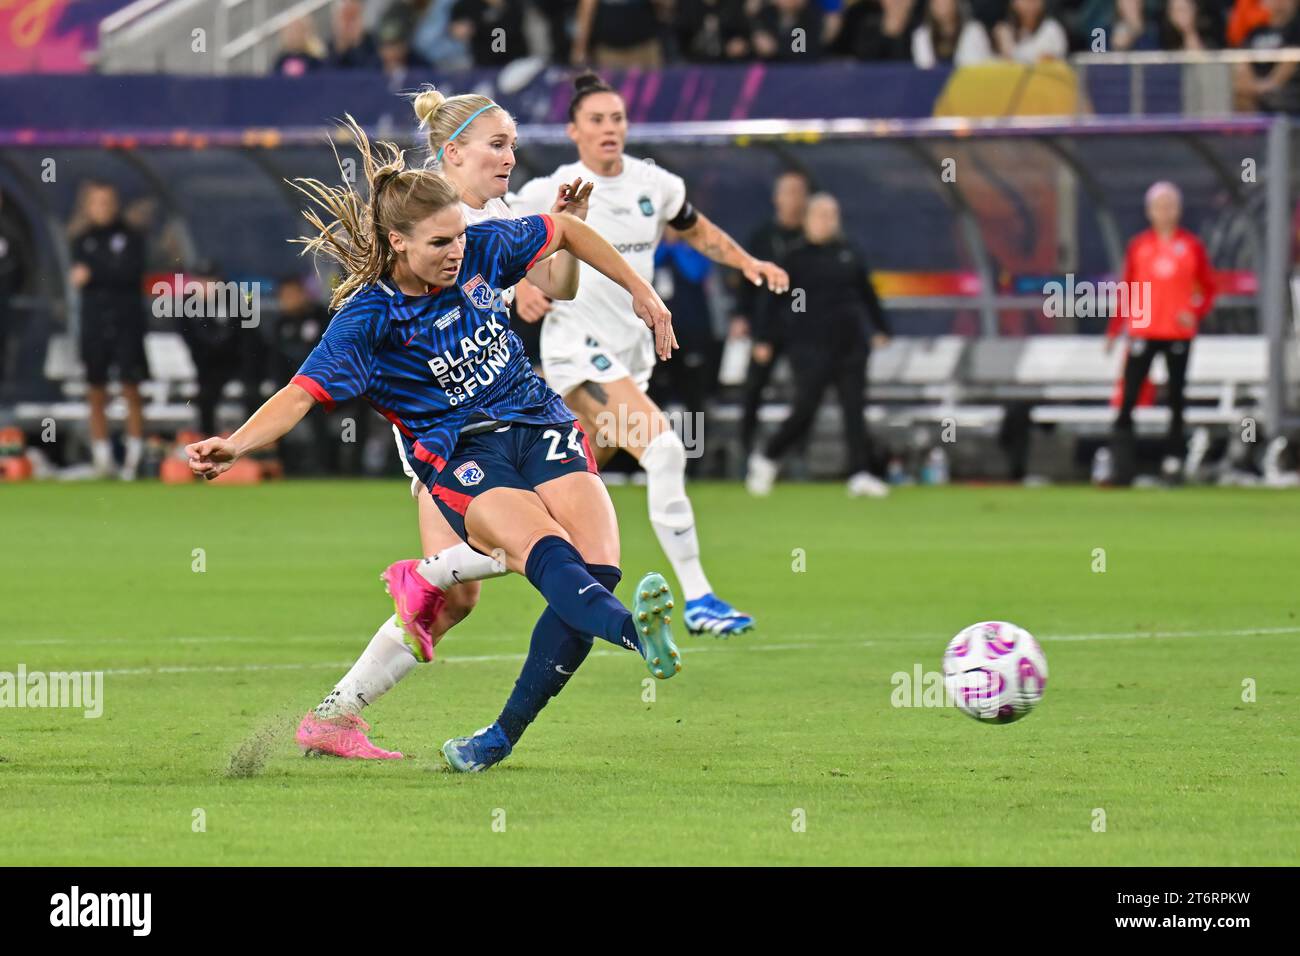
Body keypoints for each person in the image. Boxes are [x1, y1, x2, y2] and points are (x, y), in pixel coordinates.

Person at [186, 118, 683, 772]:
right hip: (460, 454)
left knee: (594, 571)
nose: (457, 253)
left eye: (459, 238)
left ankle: (488, 732)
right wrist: (236, 443)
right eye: (439, 243)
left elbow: (566, 233)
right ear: (398, 242)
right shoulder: (369, 317)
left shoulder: (479, 246)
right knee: (546, 555)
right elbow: (301, 392)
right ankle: (631, 632)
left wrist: (642, 293)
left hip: (536, 420)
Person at [288, 89, 593, 757]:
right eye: (497, 144)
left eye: (512, 143)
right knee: (522, 549)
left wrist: (566, 230)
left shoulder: (495, 219)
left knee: (458, 600)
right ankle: (427, 575)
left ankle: (335, 713)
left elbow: (560, 285)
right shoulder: (430, 214)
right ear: (452, 154)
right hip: (448, 431)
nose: (510, 156)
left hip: (502, 412)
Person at [509, 71, 790, 636]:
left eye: (616, 118)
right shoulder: (551, 190)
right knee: (664, 449)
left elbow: (695, 229)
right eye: (596, 120)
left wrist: (748, 263)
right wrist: (521, 286)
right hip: (578, 357)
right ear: (573, 130)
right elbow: (497, 237)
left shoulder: (654, 184)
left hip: (630, 361)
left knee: (549, 503)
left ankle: (451, 567)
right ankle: (701, 599)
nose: (609, 128)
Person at [745, 193, 893, 498]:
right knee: (805, 409)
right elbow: (771, 302)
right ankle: (767, 457)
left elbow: (867, 294)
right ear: (808, 219)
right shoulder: (794, 257)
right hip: (809, 346)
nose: (827, 221)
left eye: (832, 215)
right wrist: (764, 339)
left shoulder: (849, 253)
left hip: (851, 344)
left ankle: (859, 473)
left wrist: (880, 328)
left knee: (854, 409)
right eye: (821, 215)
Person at [1106, 181, 1216, 485]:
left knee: (1176, 398)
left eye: (1170, 206)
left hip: (1177, 332)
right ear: (1149, 211)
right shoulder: (1139, 246)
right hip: (1144, 329)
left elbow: (1208, 288)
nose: (1165, 212)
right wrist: (1116, 328)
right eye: (1160, 206)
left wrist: (1193, 312)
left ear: (1178, 210)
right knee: (1128, 397)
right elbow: (1127, 288)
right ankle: (1121, 464)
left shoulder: (1191, 246)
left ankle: (1172, 462)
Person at [69, 180, 148, 480]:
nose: (102, 208)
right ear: (88, 206)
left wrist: (94, 273)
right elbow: (78, 276)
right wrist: (100, 273)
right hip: (94, 325)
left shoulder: (132, 237)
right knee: (96, 390)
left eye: (107, 202)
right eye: (96, 202)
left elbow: (129, 272)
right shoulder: (81, 239)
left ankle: (134, 459)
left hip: (128, 324)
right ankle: (103, 460)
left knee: (131, 387)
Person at [733, 169, 811, 456]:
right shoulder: (763, 237)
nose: (794, 198)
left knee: (806, 396)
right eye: (788, 192)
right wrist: (742, 316)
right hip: (766, 327)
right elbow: (746, 281)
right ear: (777, 197)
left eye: (799, 192)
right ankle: (746, 454)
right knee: (753, 391)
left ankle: (794, 455)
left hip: (804, 329)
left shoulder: (811, 236)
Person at [912, 0, 993, 67]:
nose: (942, 3)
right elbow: (923, 70)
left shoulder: (975, 31)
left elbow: (984, 67)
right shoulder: (921, 35)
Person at [993, 0, 1069, 62]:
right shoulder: (1004, 30)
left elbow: (1052, 60)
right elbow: (1005, 63)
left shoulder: (1052, 28)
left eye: (1034, 1)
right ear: (1014, 3)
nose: (1030, 4)